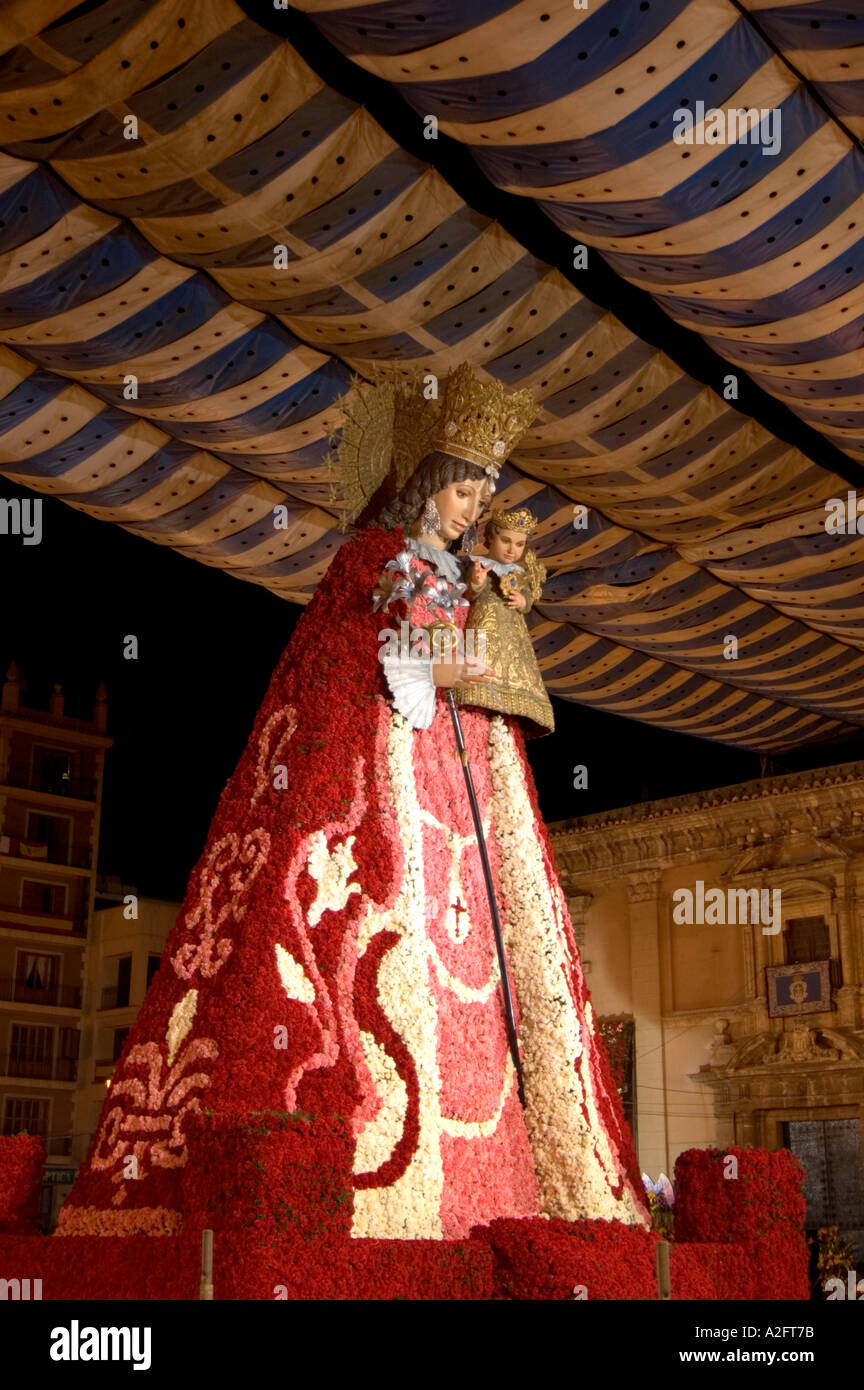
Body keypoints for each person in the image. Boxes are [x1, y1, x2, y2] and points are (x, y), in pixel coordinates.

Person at [56, 364, 647, 1243]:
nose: (472, 505)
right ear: (425, 486)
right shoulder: (376, 561)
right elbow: (372, 665)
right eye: (463, 488)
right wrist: (452, 668)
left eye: (482, 490)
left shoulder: (461, 569)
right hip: (389, 774)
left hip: (460, 779)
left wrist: (494, 639)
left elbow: (471, 653)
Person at [454, 506, 555, 739]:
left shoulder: (520, 573)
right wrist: (477, 583)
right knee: (480, 663)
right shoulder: (477, 564)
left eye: (519, 545)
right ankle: (475, 705)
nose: (512, 550)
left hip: (512, 632)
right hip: (483, 624)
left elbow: (529, 597)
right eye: (506, 541)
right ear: (491, 538)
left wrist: (523, 601)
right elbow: (468, 595)